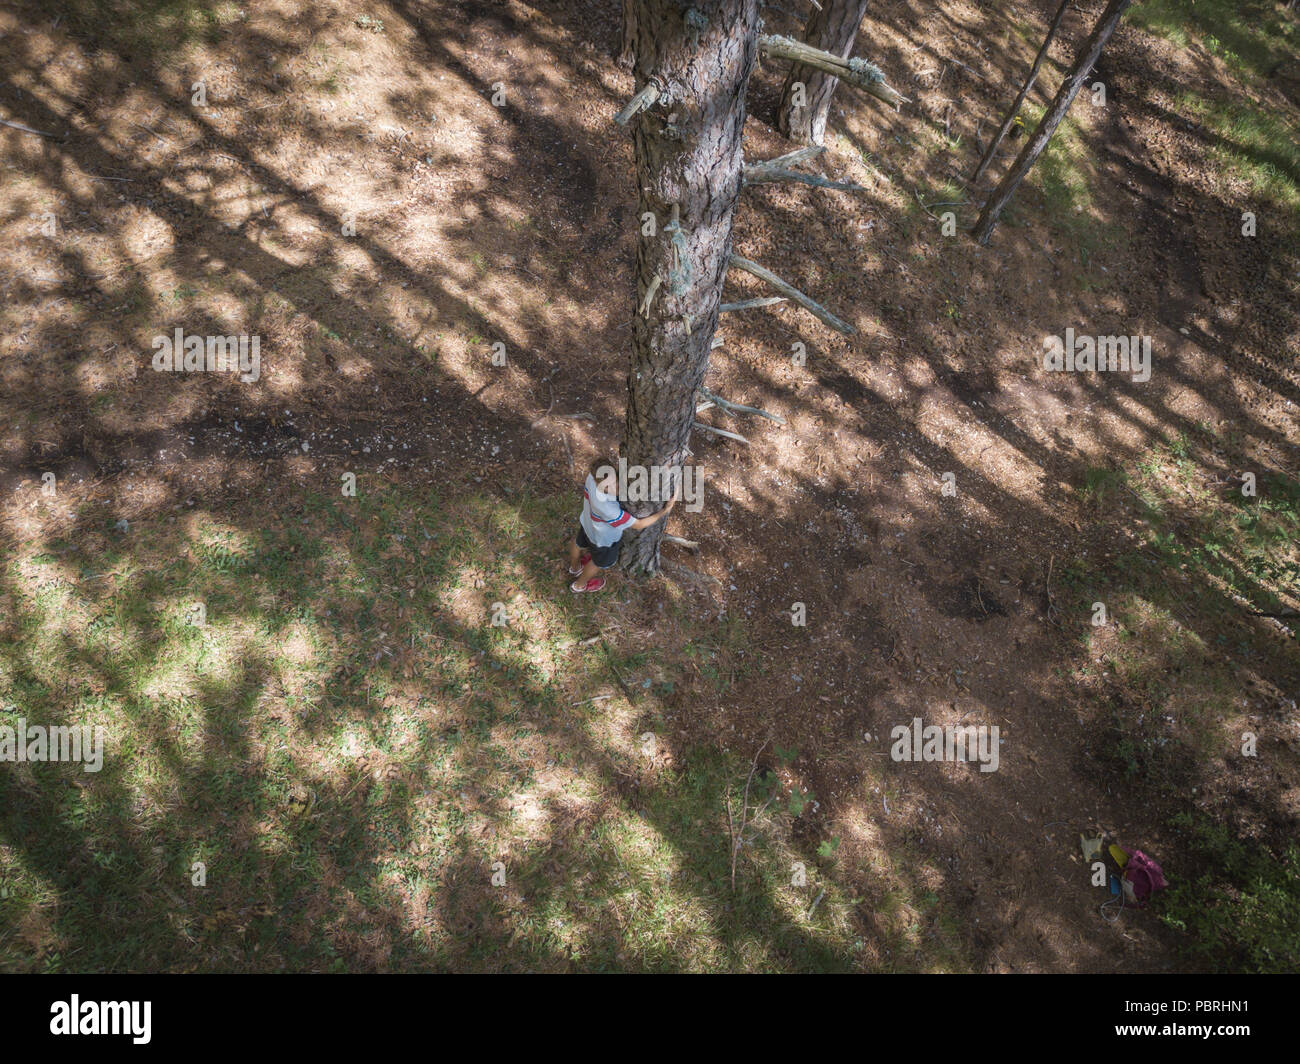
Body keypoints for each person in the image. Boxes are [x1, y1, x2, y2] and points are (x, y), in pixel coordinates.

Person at [566, 457, 679, 593]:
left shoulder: (592, 477)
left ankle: (575, 567)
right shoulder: (608, 508)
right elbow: (638, 524)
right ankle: (579, 585)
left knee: (578, 543)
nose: (615, 487)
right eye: (608, 486)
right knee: (598, 562)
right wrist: (665, 510)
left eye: (616, 481)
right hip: (602, 540)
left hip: (587, 523)